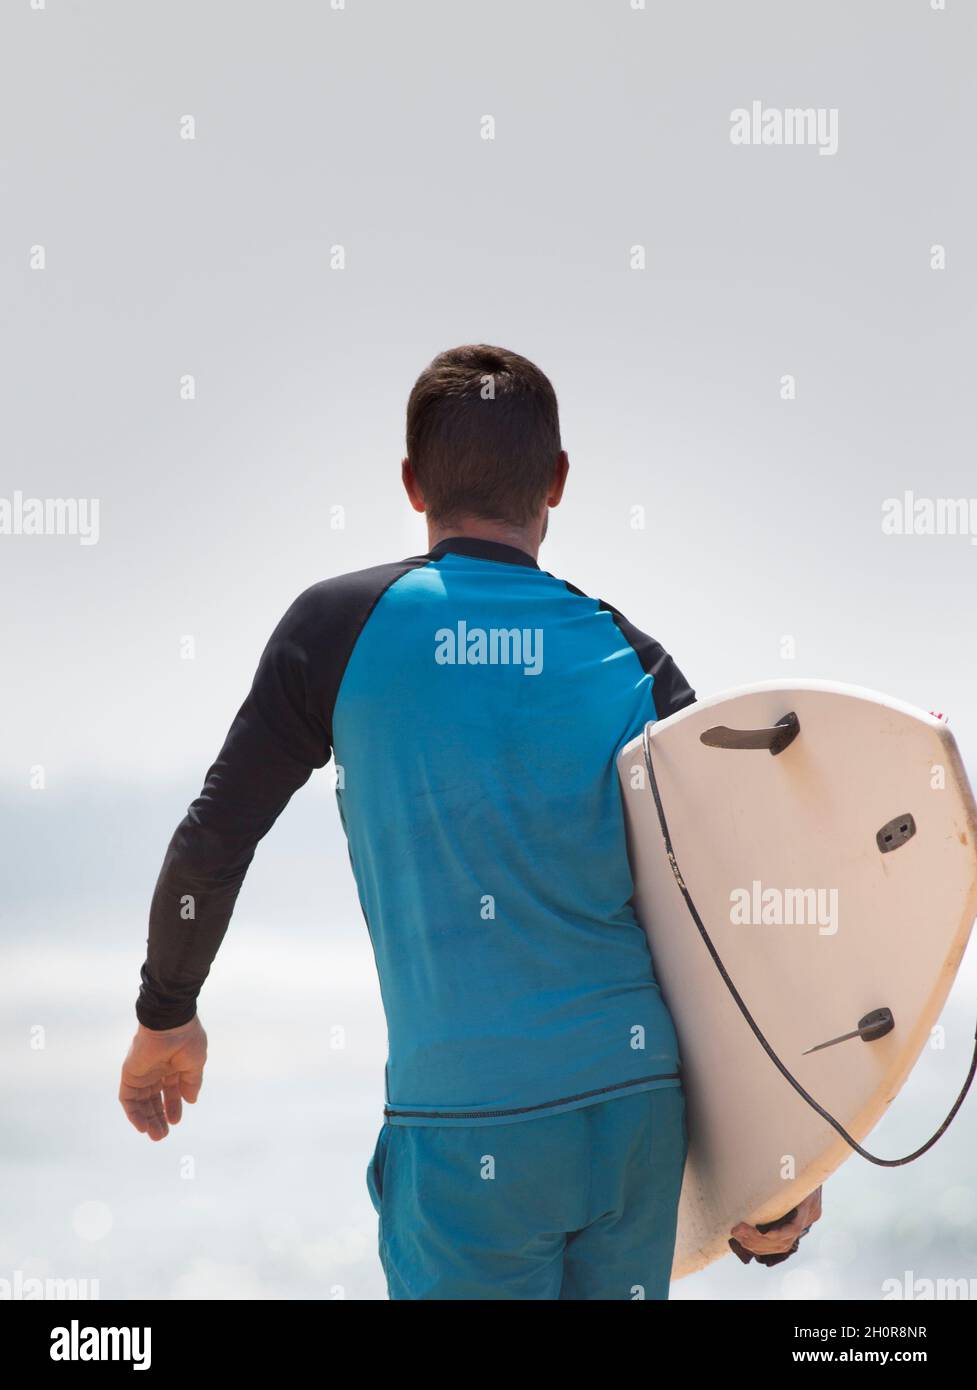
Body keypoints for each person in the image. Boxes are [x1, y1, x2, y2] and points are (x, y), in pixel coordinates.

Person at [118, 344, 822, 1299]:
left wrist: (166, 1012)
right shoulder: (629, 656)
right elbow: (732, 903)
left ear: (412, 484)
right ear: (557, 481)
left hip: (469, 1128)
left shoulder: (337, 629)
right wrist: (782, 1154)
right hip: (634, 1116)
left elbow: (216, 836)